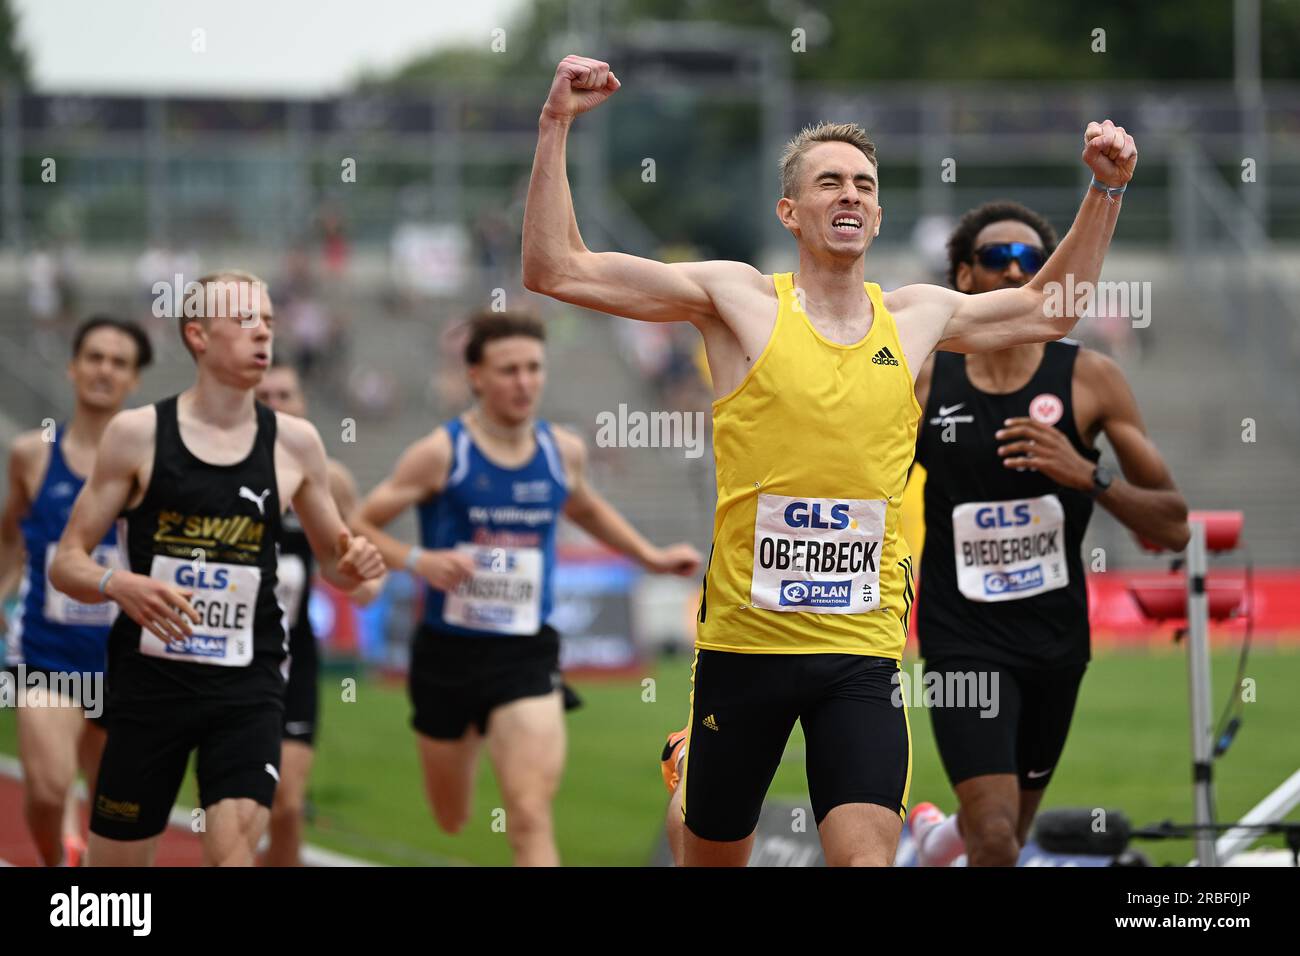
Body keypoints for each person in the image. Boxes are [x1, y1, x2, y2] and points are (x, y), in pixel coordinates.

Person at [522, 54, 1136, 866]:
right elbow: (553, 267)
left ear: (878, 217)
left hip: (862, 652)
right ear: (790, 209)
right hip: (745, 646)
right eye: (829, 183)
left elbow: (1047, 311)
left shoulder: (917, 316)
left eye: (864, 185)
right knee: (712, 856)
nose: (850, 194)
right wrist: (556, 122)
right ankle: (690, 770)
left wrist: (1106, 189)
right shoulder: (738, 300)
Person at [50, 270, 385, 867]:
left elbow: (338, 564)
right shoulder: (137, 436)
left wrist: (356, 560)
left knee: (232, 852)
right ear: (198, 336)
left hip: (248, 684)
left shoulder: (296, 444)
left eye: (270, 322)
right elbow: (66, 561)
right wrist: (117, 582)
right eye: (244, 321)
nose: (263, 334)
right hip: (151, 685)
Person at [352, 310, 700, 866]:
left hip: (525, 650)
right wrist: (419, 559)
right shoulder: (443, 453)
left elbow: (586, 507)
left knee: (531, 812)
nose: (524, 382)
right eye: (508, 369)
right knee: (451, 813)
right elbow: (359, 524)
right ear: (475, 377)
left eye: (533, 368)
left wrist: (650, 556)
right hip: (447, 654)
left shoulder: (561, 451)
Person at [907, 201, 1189, 866]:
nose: (1015, 270)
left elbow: (1173, 524)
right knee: (998, 837)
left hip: (1054, 641)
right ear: (963, 277)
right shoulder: (923, 379)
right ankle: (953, 834)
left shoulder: (1091, 379)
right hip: (960, 636)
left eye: (1031, 260)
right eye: (997, 259)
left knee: (1005, 830)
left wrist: (1083, 474)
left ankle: (932, 837)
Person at [1, 316, 152, 866]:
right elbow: (10, 529)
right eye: (94, 357)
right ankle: (58, 869)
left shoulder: (151, 464)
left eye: (119, 362)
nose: (104, 370)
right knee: (46, 787)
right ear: (72, 367)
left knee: (118, 806)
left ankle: (96, 886)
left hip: (128, 661)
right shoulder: (31, 453)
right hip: (48, 651)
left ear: (134, 380)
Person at [253, 362, 383, 866]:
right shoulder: (212, 472)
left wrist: (366, 580)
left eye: (286, 393)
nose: (277, 404)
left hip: (292, 657)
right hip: (219, 659)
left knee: (286, 804)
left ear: (304, 402)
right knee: (229, 806)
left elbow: (361, 558)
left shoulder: (328, 479)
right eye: (265, 394)